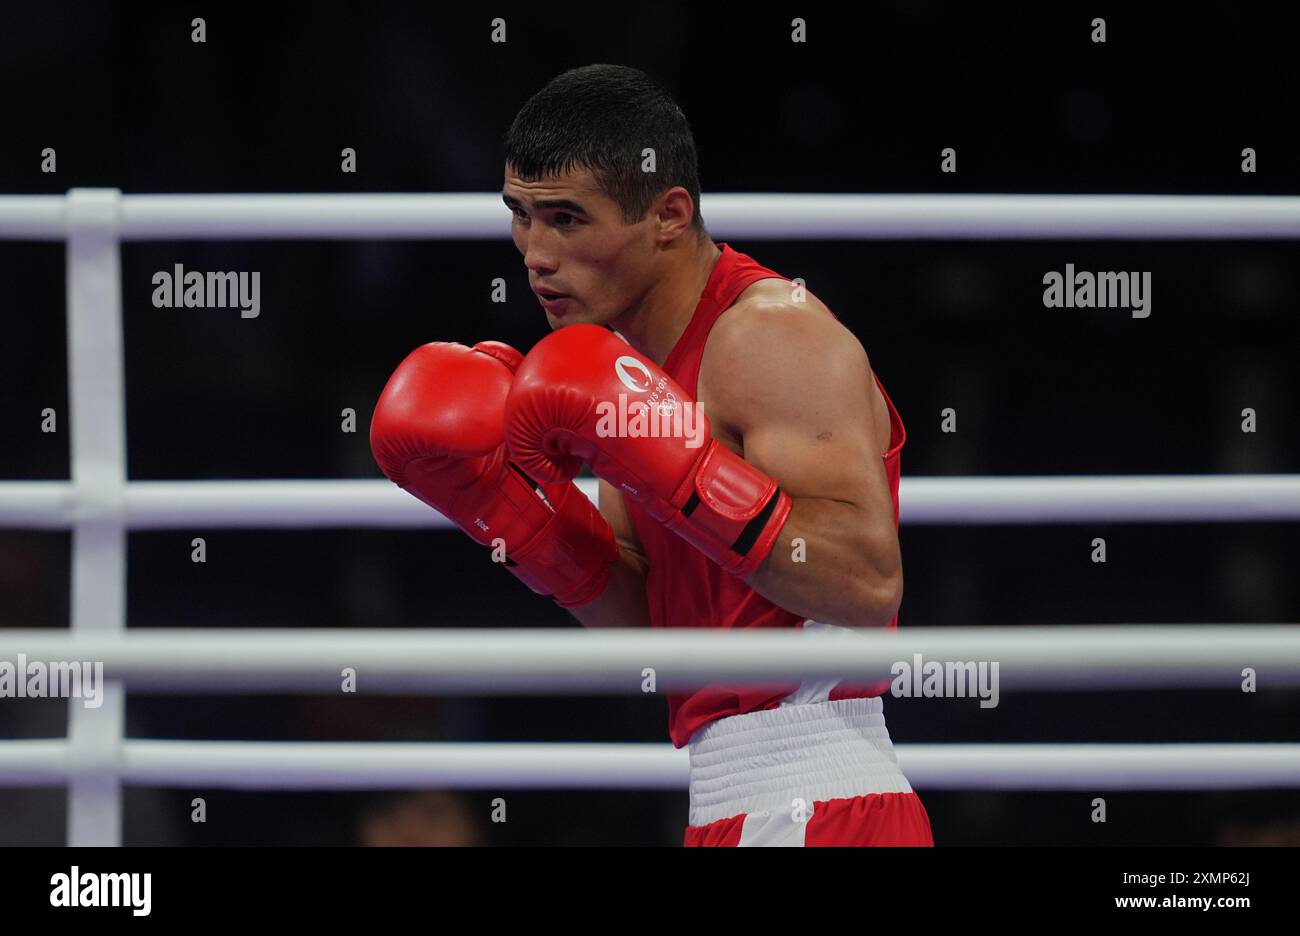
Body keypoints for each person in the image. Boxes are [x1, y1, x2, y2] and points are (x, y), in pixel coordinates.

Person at [371, 64, 931, 847]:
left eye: (567, 219)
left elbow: (868, 581)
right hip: (725, 800)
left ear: (668, 214)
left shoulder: (768, 333)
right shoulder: (630, 372)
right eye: (520, 216)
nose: (535, 253)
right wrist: (525, 524)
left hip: (819, 800)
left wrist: (687, 467)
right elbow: (654, 629)